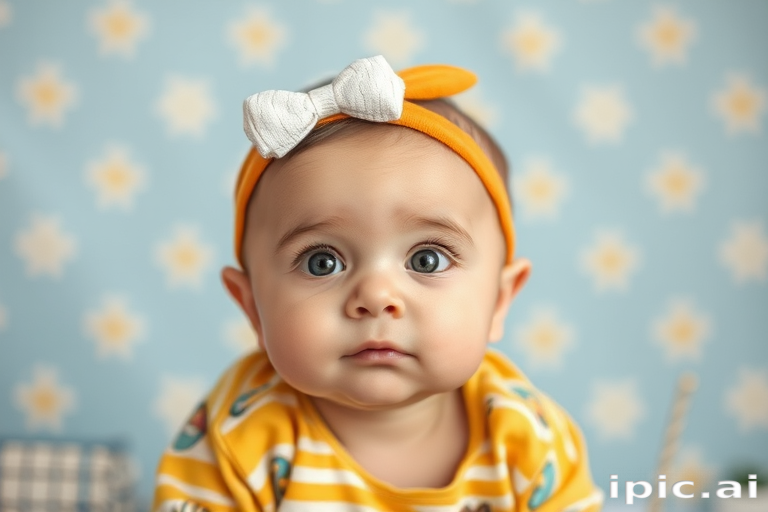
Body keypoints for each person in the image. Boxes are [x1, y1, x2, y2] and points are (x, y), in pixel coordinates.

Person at [152, 56, 603, 512]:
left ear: (500, 301)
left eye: (426, 259)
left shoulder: (527, 437)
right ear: (252, 307)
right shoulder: (240, 436)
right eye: (322, 262)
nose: (376, 297)